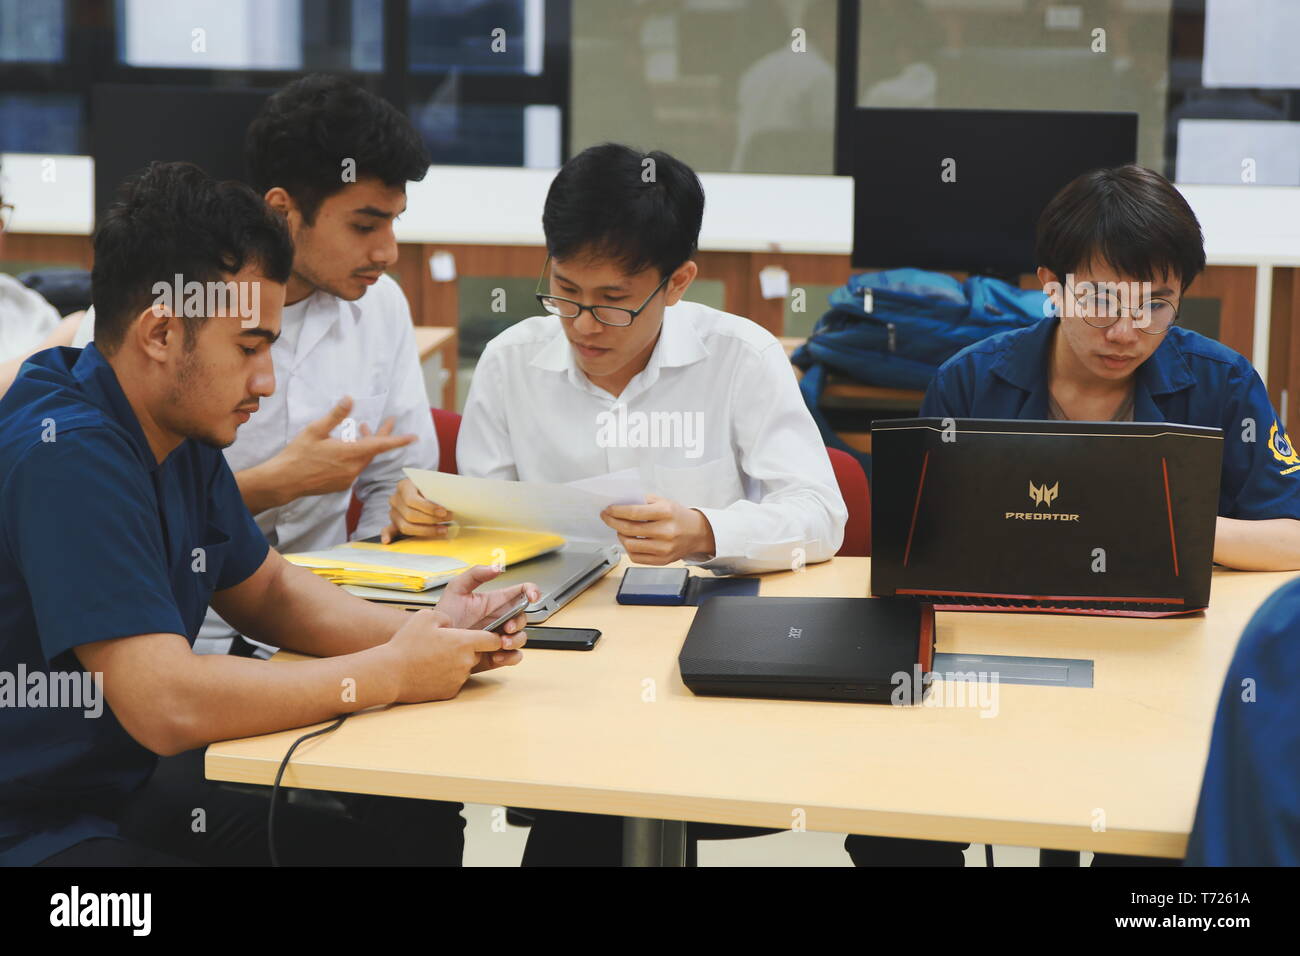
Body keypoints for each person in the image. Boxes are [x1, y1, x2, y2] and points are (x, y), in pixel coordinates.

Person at [0, 161, 535, 867]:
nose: (266, 380)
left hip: (113, 792)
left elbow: (270, 591)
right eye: (249, 348)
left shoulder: (169, 424)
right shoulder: (68, 453)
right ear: (161, 334)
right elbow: (167, 703)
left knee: (381, 849)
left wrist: (431, 634)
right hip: (31, 828)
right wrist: (392, 673)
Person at [387, 142, 848, 864]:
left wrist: (703, 530)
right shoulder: (511, 363)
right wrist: (435, 514)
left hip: (700, 662)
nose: (581, 324)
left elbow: (821, 513)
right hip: (556, 662)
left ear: (677, 283)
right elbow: (486, 530)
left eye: (611, 301)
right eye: (564, 291)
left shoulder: (741, 357)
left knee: (602, 824)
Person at [848, 163, 1300, 868]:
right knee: (888, 828)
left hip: (1159, 665)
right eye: (1099, 301)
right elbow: (913, 545)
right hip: (997, 656)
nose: (1127, 330)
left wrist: (1160, 525)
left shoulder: (1223, 382)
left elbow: (1292, 537)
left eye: (1156, 303)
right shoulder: (969, 379)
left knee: (1152, 834)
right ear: (1049, 285)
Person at [72, 73, 445, 656]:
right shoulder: (160, 317)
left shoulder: (381, 306)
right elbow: (121, 519)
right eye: (365, 225)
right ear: (283, 211)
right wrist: (275, 485)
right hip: (181, 636)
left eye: (396, 222)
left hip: (329, 618)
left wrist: (395, 608)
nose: (388, 252)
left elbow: (399, 480)